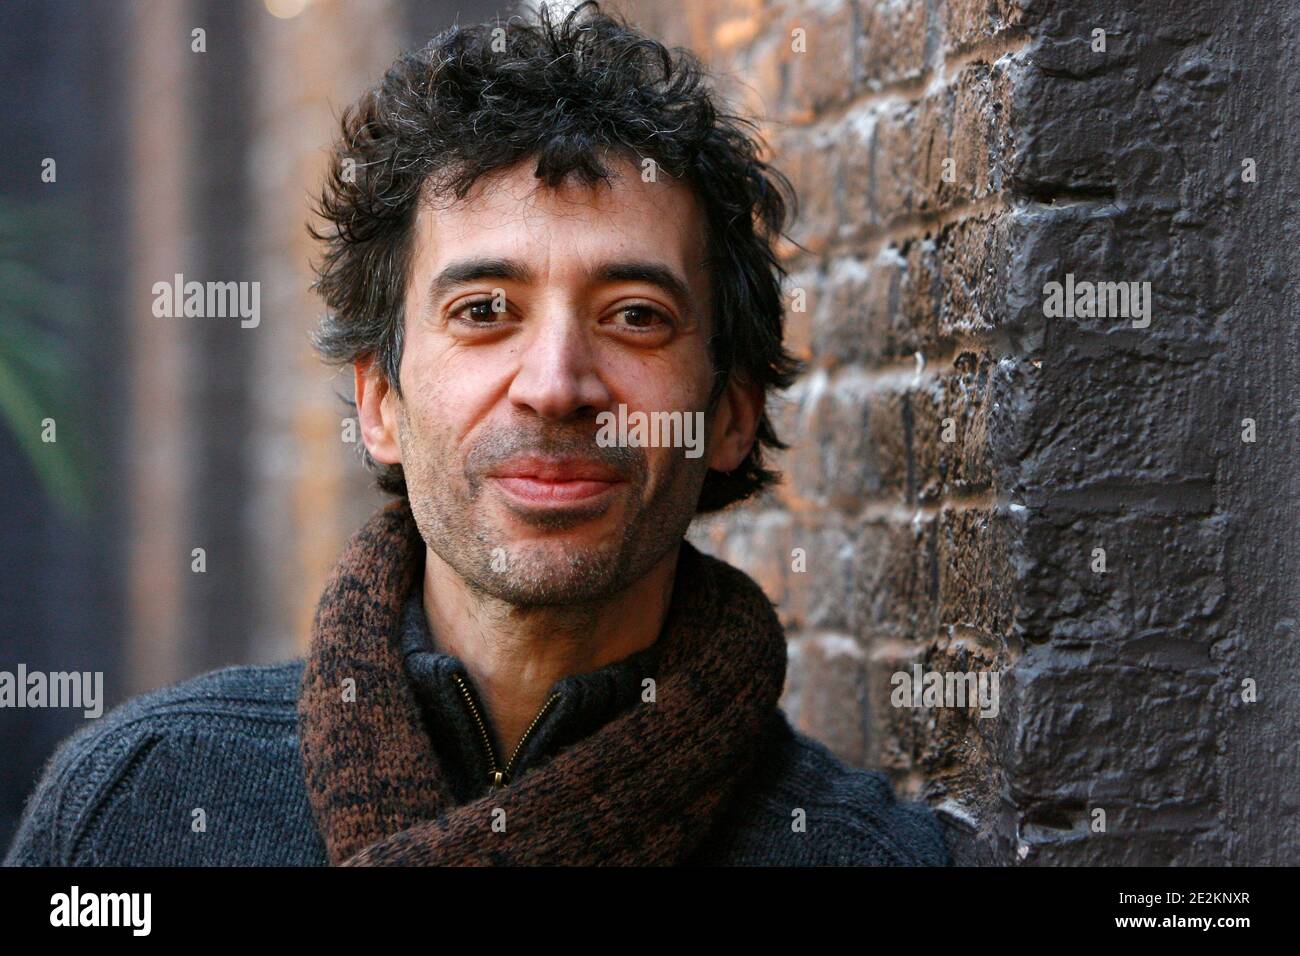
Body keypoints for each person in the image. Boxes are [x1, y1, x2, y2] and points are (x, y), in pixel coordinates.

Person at [5, 1, 950, 867]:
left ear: (730, 415)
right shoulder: (139, 811)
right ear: (380, 402)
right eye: (486, 309)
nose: (555, 387)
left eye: (634, 316)